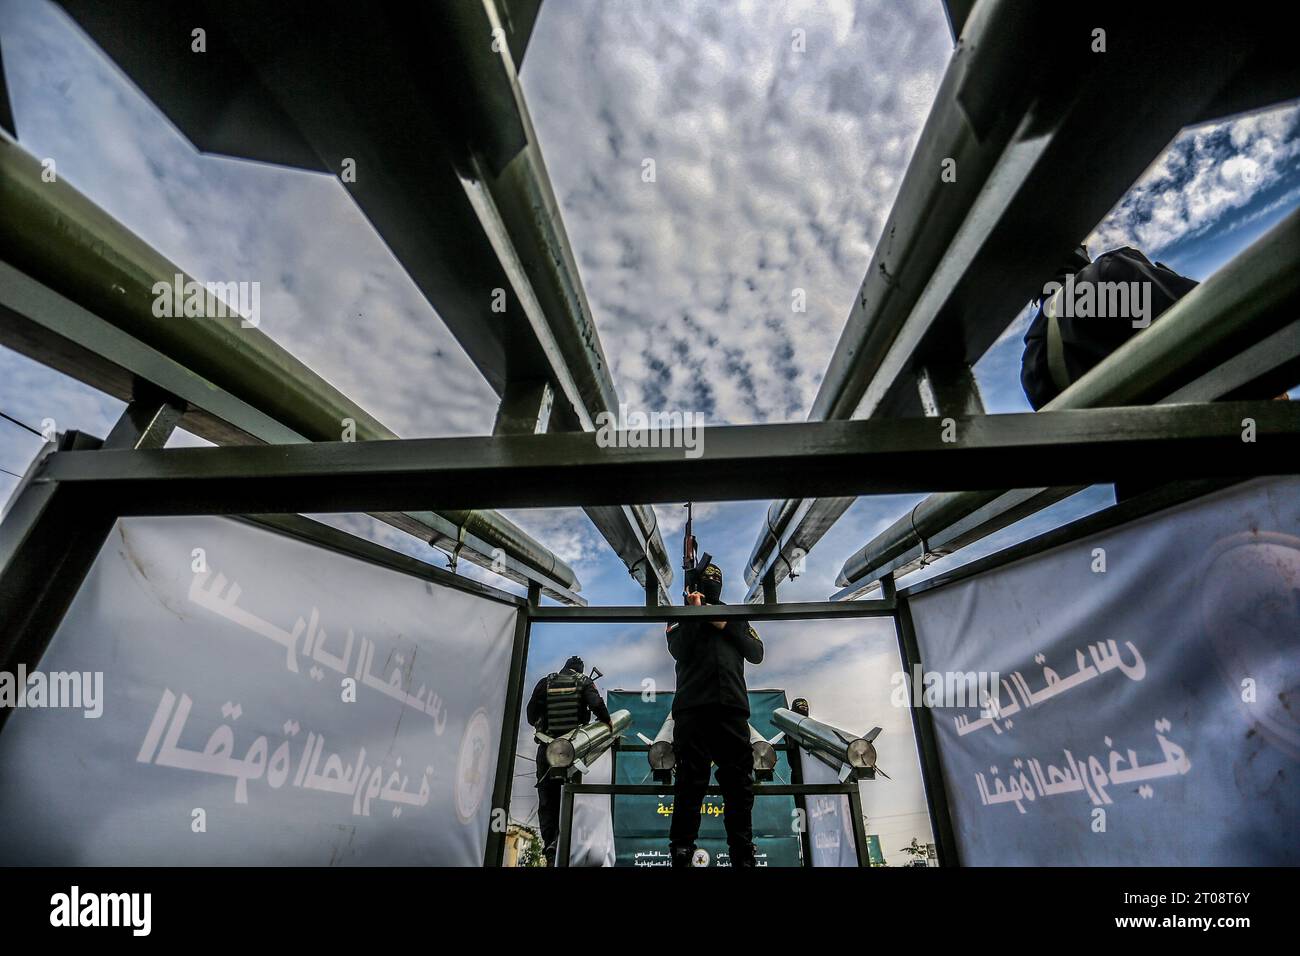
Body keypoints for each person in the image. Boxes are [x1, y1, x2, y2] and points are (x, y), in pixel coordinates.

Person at [665, 561, 764, 867]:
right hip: (692, 711)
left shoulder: (734, 615)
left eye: (715, 579)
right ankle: (681, 852)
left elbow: (756, 652)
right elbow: (678, 649)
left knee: (738, 787)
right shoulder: (679, 615)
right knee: (689, 786)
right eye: (706, 580)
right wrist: (695, 613)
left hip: (731, 710)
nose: (711, 584)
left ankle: (742, 855)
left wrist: (721, 621)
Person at [526, 655, 611, 866]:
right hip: (573, 751)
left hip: (546, 750)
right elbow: (597, 705)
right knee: (570, 799)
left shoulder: (545, 682)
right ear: (580, 670)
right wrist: (607, 721)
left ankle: (550, 844)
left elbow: (530, 715)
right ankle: (563, 843)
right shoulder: (584, 681)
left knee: (547, 800)